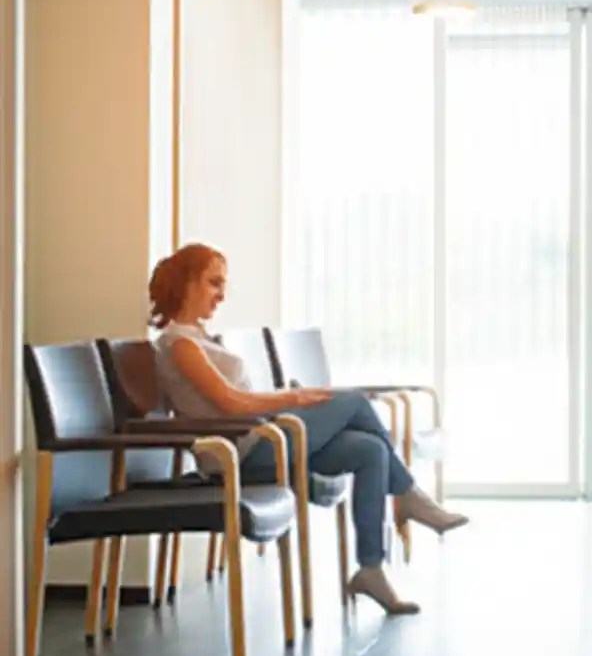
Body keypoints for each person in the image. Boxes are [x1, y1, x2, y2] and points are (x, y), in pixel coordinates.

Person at [148, 243, 468, 615]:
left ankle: (371, 570)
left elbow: (242, 400)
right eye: (213, 283)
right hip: (241, 456)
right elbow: (232, 403)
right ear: (187, 282)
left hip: (264, 439)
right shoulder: (180, 344)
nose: (221, 295)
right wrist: (291, 399)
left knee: (370, 450)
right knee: (354, 402)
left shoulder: (200, 337)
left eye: (223, 285)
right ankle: (409, 496)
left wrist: (289, 399)